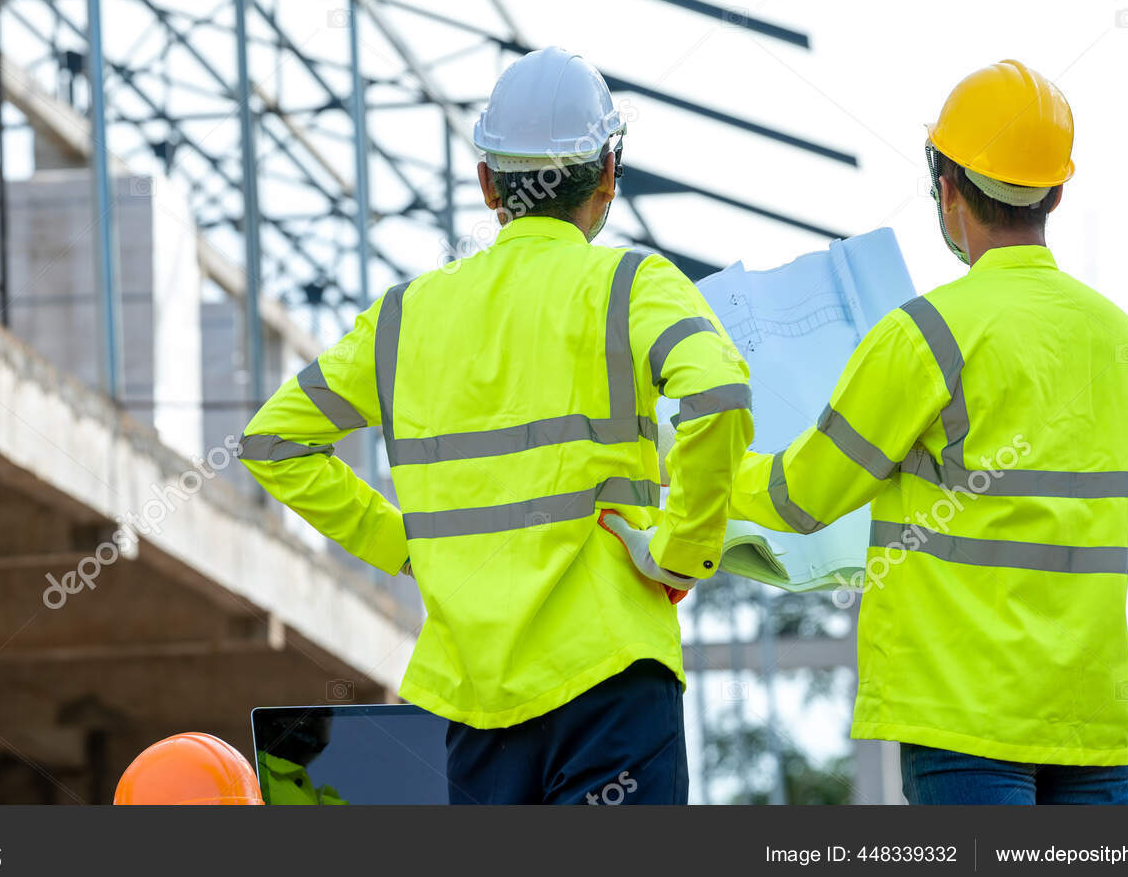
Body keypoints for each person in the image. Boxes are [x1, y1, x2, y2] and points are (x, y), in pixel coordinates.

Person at [238, 47, 753, 805]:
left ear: (487, 182)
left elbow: (271, 442)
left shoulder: (405, 317)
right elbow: (718, 392)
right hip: (612, 682)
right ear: (608, 174)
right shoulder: (629, 285)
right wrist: (685, 550)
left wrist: (404, 543)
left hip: (477, 703)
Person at [720, 59, 1128, 805]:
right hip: (1091, 721)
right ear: (1056, 191)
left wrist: (699, 469)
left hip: (963, 723)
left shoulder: (924, 336)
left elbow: (803, 495)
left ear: (947, 187)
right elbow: (1120, 503)